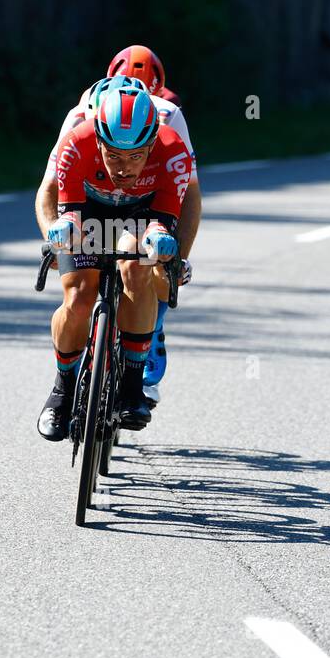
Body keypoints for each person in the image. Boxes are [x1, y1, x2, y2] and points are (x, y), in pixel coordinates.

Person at [34, 46, 201, 407]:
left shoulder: (170, 123)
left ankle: (133, 378)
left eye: (134, 155)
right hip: (89, 206)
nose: (123, 166)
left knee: (137, 264)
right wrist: (54, 233)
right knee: (78, 293)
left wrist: (174, 259)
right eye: (112, 153)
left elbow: (186, 197)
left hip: (144, 209)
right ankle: (62, 388)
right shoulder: (78, 126)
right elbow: (51, 192)